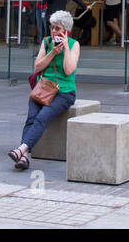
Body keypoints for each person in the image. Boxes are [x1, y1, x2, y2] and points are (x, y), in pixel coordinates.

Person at [8, 10, 81, 171]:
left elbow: (69, 70)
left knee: (42, 117)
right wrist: (52, 53)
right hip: (43, 87)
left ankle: (21, 150)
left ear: (65, 31)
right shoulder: (47, 42)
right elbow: (38, 66)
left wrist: (65, 49)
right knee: (31, 118)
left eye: (57, 28)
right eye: (52, 27)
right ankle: (24, 157)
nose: (53, 31)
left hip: (64, 92)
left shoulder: (74, 44)